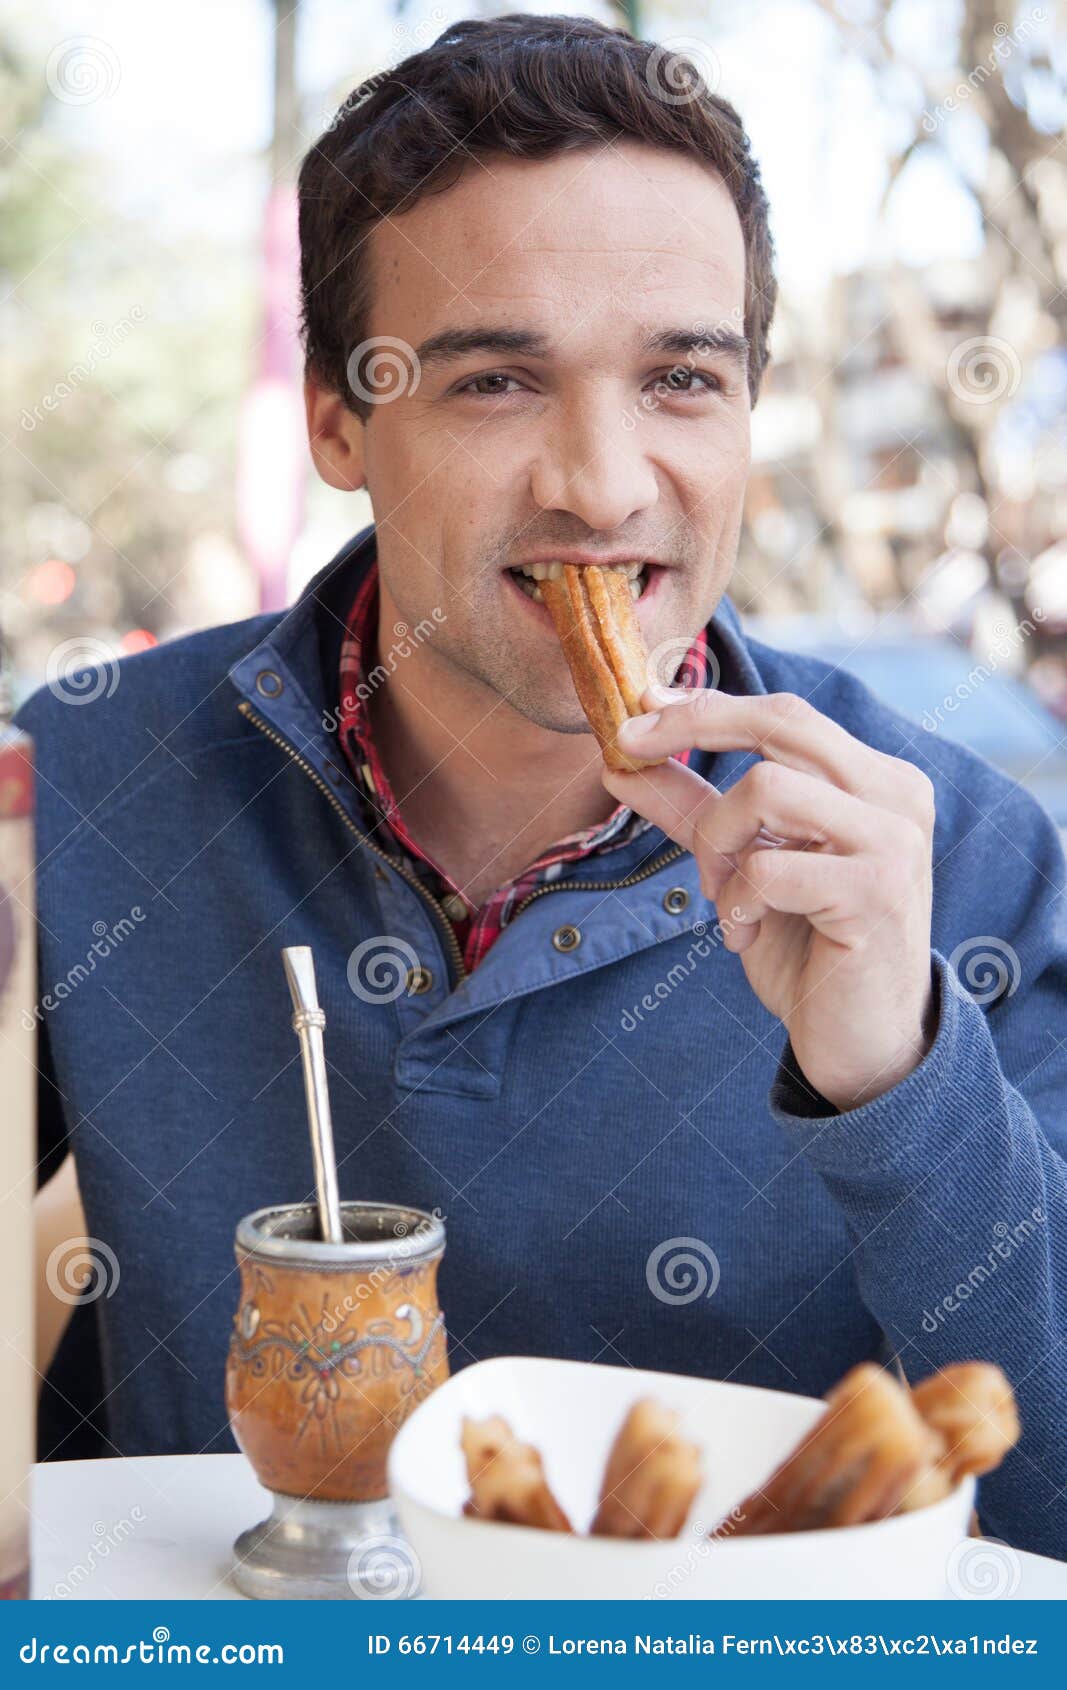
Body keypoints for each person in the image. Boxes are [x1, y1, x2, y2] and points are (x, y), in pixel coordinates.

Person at [19, 14, 1066, 1560]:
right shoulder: (87, 787)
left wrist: (898, 1073)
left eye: (682, 379)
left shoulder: (950, 854)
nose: (602, 480)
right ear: (336, 417)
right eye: (498, 380)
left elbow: (1044, 1510)